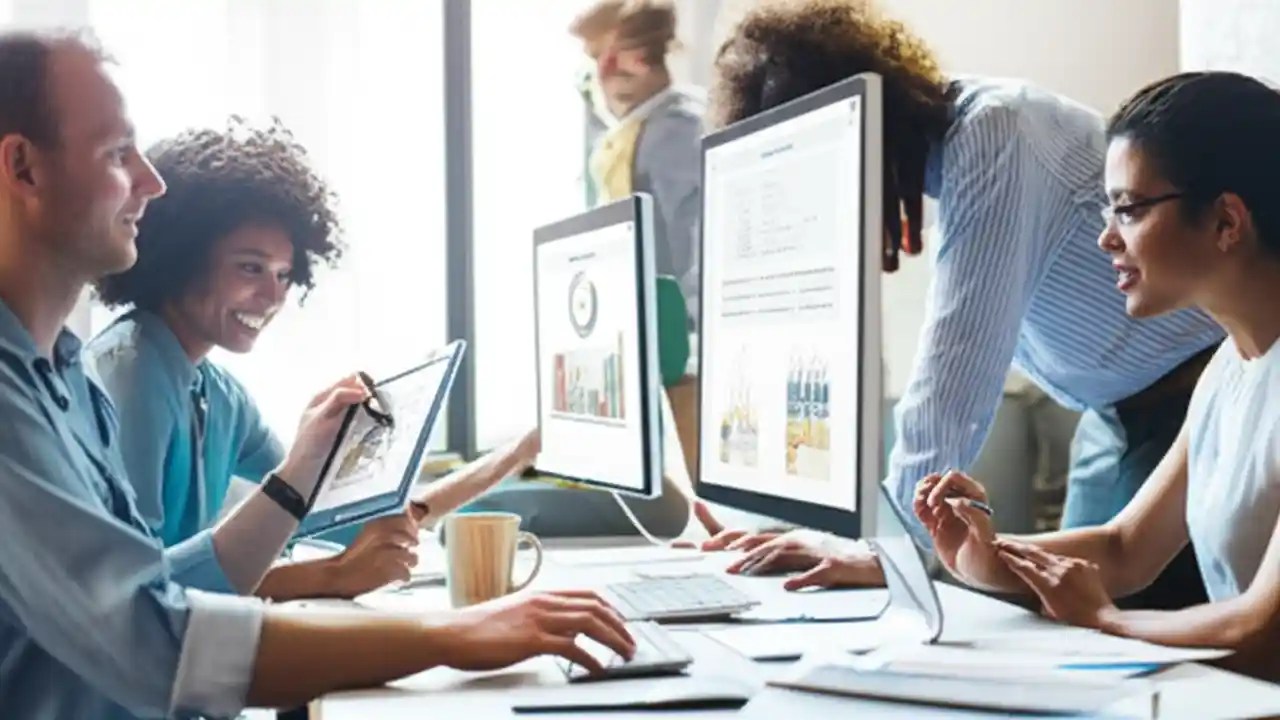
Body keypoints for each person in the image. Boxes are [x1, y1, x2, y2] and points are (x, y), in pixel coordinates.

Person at [0, 29, 632, 719]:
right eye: (119, 153)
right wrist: (449, 632)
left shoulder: (69, 378)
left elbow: (148, 591)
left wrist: (306, 478)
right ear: (23, 168)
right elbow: (159, 639)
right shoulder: (72, 383)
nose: (151, 183)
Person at [692, 0, 1224, 610]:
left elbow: (956, 362)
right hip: (1113, 417)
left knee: (1133, 634)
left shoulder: (994, 132)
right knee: (1067, 614)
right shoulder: (958, 155)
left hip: (1190, 401)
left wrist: (888, 550)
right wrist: (839, 535)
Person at [915, 70, 1280, 680]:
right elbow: (1123, 549)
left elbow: (1262, 630)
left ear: (1226, 222)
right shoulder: (1229, 367)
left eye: (1130, 210)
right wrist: (983, 555)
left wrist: (1107, 622)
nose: (1107, 238)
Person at [86, 119, 542, 601]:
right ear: (181, 256)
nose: (271, 296)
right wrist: (333, 577)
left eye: (284, 275)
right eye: (250, 267)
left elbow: (348, 518)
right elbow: (134, 596)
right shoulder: (131, 372)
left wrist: (518, 451)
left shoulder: (220, 395)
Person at [571, 0, 704, 325]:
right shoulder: (632, 138)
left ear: (639, 60)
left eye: (598, 57)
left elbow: (698, 258)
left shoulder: (674, 133)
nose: (598, 76)